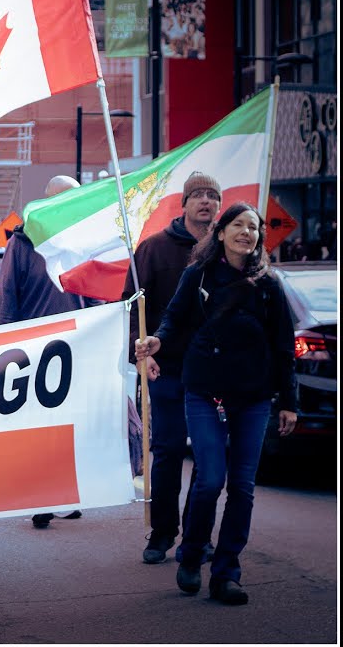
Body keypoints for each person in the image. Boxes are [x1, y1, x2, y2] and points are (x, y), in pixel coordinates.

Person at [135, 203, 298, 605]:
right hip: (205, 391)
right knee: (210, 479)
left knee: (242, 487)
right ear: (221, 233)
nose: (248, 233)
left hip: (254, 397)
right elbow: (172, 321)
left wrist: (289, 401)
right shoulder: (198, 275)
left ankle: (227, 573)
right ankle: (191, 556)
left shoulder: (269, 284)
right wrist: (156, 341)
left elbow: (283, 347)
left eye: (254, 228)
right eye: (239, 225)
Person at [124, 171, 222, 565]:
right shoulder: (154, 249)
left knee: (206, 452)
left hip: (212, 372)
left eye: (212, 196)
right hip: (164, 369)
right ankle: (162, 532)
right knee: (165, 449)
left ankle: (197, 535)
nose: (205, 202)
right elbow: (132, 307)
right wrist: (141, 356)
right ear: (184, 204)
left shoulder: (227, 251)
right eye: (197, 195)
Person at [0, 175, 88, 528]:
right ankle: (41, 497)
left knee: (69, 426)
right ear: (46, 202)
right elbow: (8, 296)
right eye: (61, 200)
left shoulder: (86, 241)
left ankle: (65, 492)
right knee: (39, 427)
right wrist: (6, 350)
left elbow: (96, 294)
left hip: (77, 345)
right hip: (34, 352)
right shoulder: (21, 243)